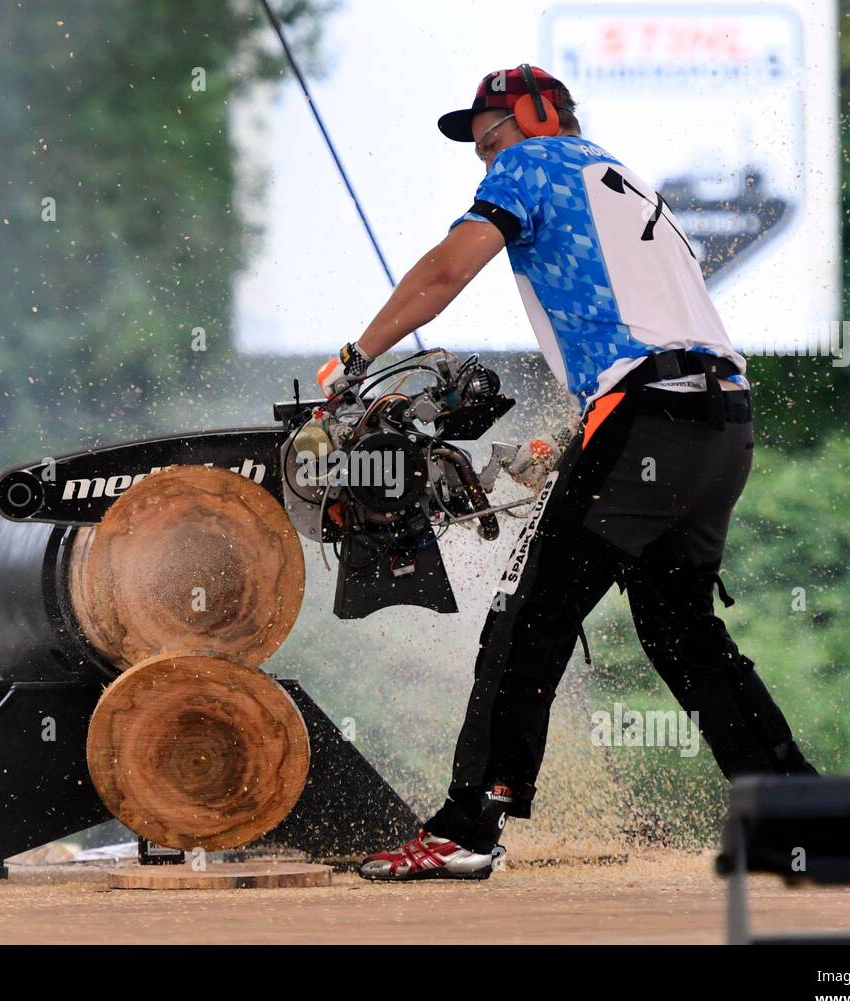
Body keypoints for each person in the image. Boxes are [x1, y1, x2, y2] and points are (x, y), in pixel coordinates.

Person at [315, 66, 818, 883]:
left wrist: (353, 358)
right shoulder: (622, 182)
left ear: (538, 113)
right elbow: (643, 334)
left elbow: (446, 272)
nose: (483, 152)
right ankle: (803, 819)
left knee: (527, 618)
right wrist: (570, 437)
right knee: (681, 631)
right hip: (719, 424)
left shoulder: (534, 162)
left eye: (491, 129)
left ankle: (468, 827)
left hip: (650, 415)